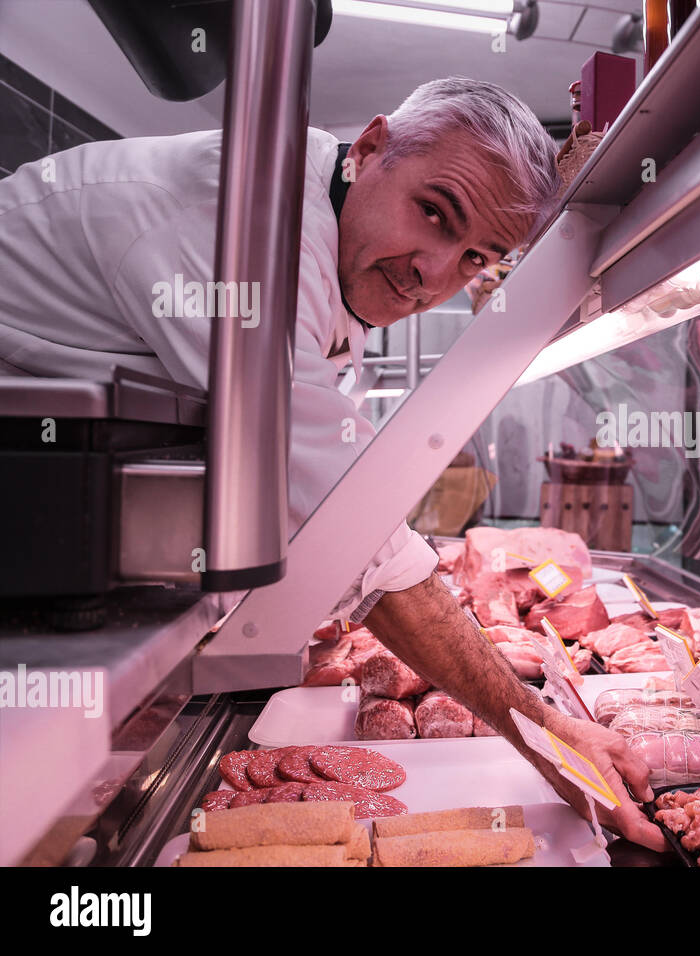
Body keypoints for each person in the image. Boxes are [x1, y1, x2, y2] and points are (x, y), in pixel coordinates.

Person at [0, 76, 665, 851]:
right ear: (374, 146)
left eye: (477, 257)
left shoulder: (337, 244)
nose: (435, 273)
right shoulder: (244, 229)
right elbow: (351, 524)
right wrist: (544, 732)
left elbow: (324, 492)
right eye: (434, 213)